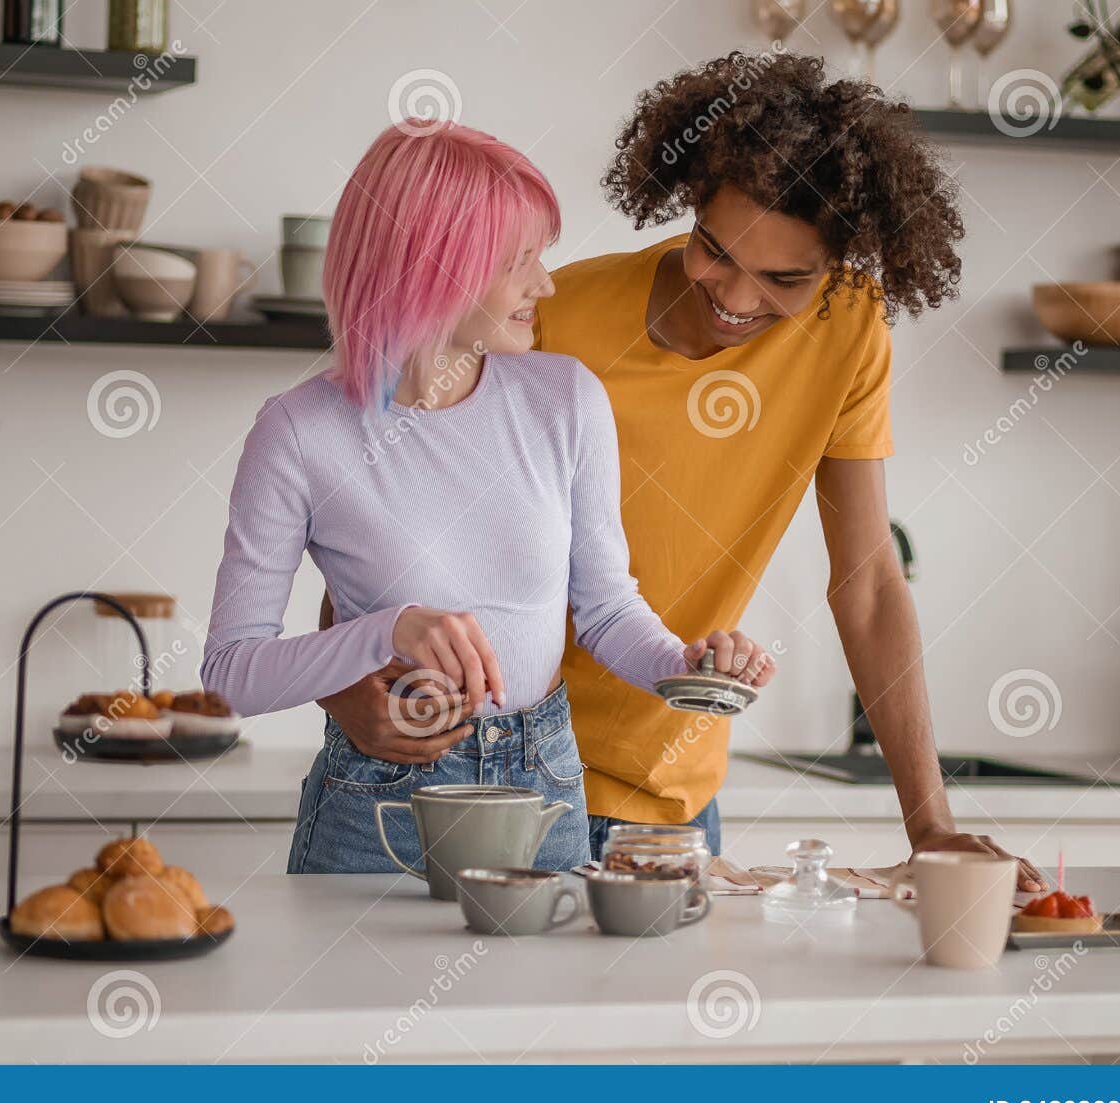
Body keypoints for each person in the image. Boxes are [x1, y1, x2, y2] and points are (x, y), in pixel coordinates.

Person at [318, 55, 1043, 889]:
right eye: (713, 249)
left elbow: (870, 579)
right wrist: (344, 691)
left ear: (842, 261)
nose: (734, 295)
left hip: (669, 802)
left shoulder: (850, 334)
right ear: (688, 201)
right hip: (499, 778)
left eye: (785, 278)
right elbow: (390, 527)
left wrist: (932, 828)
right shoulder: (557, 318)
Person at [201, 120, 775, 875]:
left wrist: (688, 664)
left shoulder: (565, 397)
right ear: (433, 268)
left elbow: (606, 608)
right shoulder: (298, 433)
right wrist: (389, 632)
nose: (546, 283)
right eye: (520, 261)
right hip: (380, 804)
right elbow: (232, 672)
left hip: (546, 788)